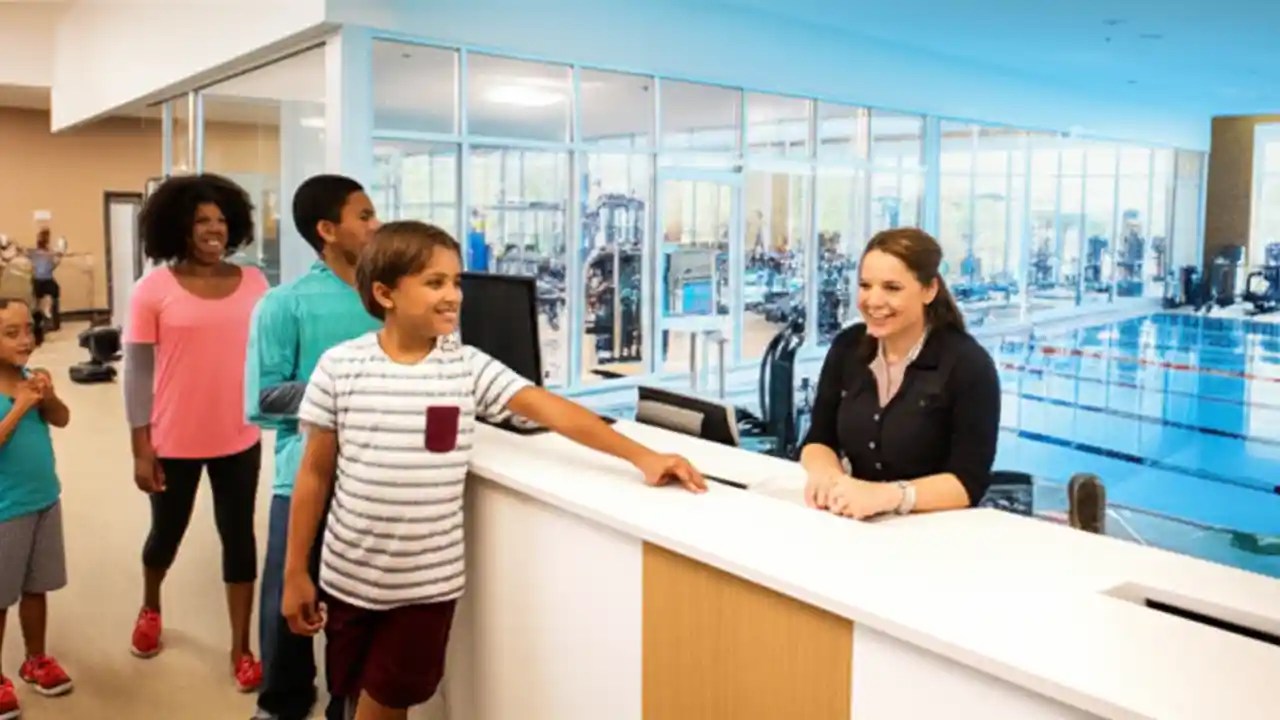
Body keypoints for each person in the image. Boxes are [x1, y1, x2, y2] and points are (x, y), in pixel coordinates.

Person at [282, 221, 706, 720]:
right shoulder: (340, 366)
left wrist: (643, 456)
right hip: (348, 576)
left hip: (425, 587)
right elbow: (314, 475)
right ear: (385, 293)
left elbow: (551, 410)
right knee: (352, 694)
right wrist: (294, 571)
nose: (453, 296)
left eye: (456, 281)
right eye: (434, 282)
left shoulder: (466, 367)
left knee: (386, 703)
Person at [121, 173, 270, 692]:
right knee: (166, 535)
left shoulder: (255, 283)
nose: (213, 229)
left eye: (221, 220)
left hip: (238, 436)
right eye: (201, 220)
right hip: (174, 439)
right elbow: (137, 373)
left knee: (239, 539)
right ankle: (150, 606)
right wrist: (141, 447)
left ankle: (241, 646)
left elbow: (265, 355)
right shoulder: (152, 289)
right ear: (177, 228)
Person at [246, 175, 382, 720]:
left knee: (359, 610)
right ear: (327, 230)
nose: (377, 225)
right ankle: (281, 703)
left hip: (375, 476)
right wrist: (346, 389)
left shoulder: (389, 298)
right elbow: (263, 397)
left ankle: (344, 704)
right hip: (302, 475)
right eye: (365, 216)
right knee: (291, 597)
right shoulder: (285, 304)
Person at [800, 228, 1001, 519]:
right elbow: (819, 439)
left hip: (936, 534)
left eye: (892, 288)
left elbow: (968, 482)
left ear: (929, 290)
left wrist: (891, 496)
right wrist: (826, 475)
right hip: (859, 523)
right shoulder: (848, 348)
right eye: (866, 285)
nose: (874, 300)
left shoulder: (968, 365)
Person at [0, 298, 73, 719]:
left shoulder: (32, 378)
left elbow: (61, 419)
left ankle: (36, 658)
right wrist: (21, 407)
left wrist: (47, 397)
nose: (25, 339)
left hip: (45, 500)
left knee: (36, 586)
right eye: (12, 333)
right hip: (6, 510)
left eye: (28, 329)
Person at [27, 230, 62, 332]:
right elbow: (53, 266)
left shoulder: (33, 253)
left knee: (38, 299)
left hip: (37, 281)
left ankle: (42, 315)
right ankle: (48, 314)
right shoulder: (50, 254)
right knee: (53, 292)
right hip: (45, 280)